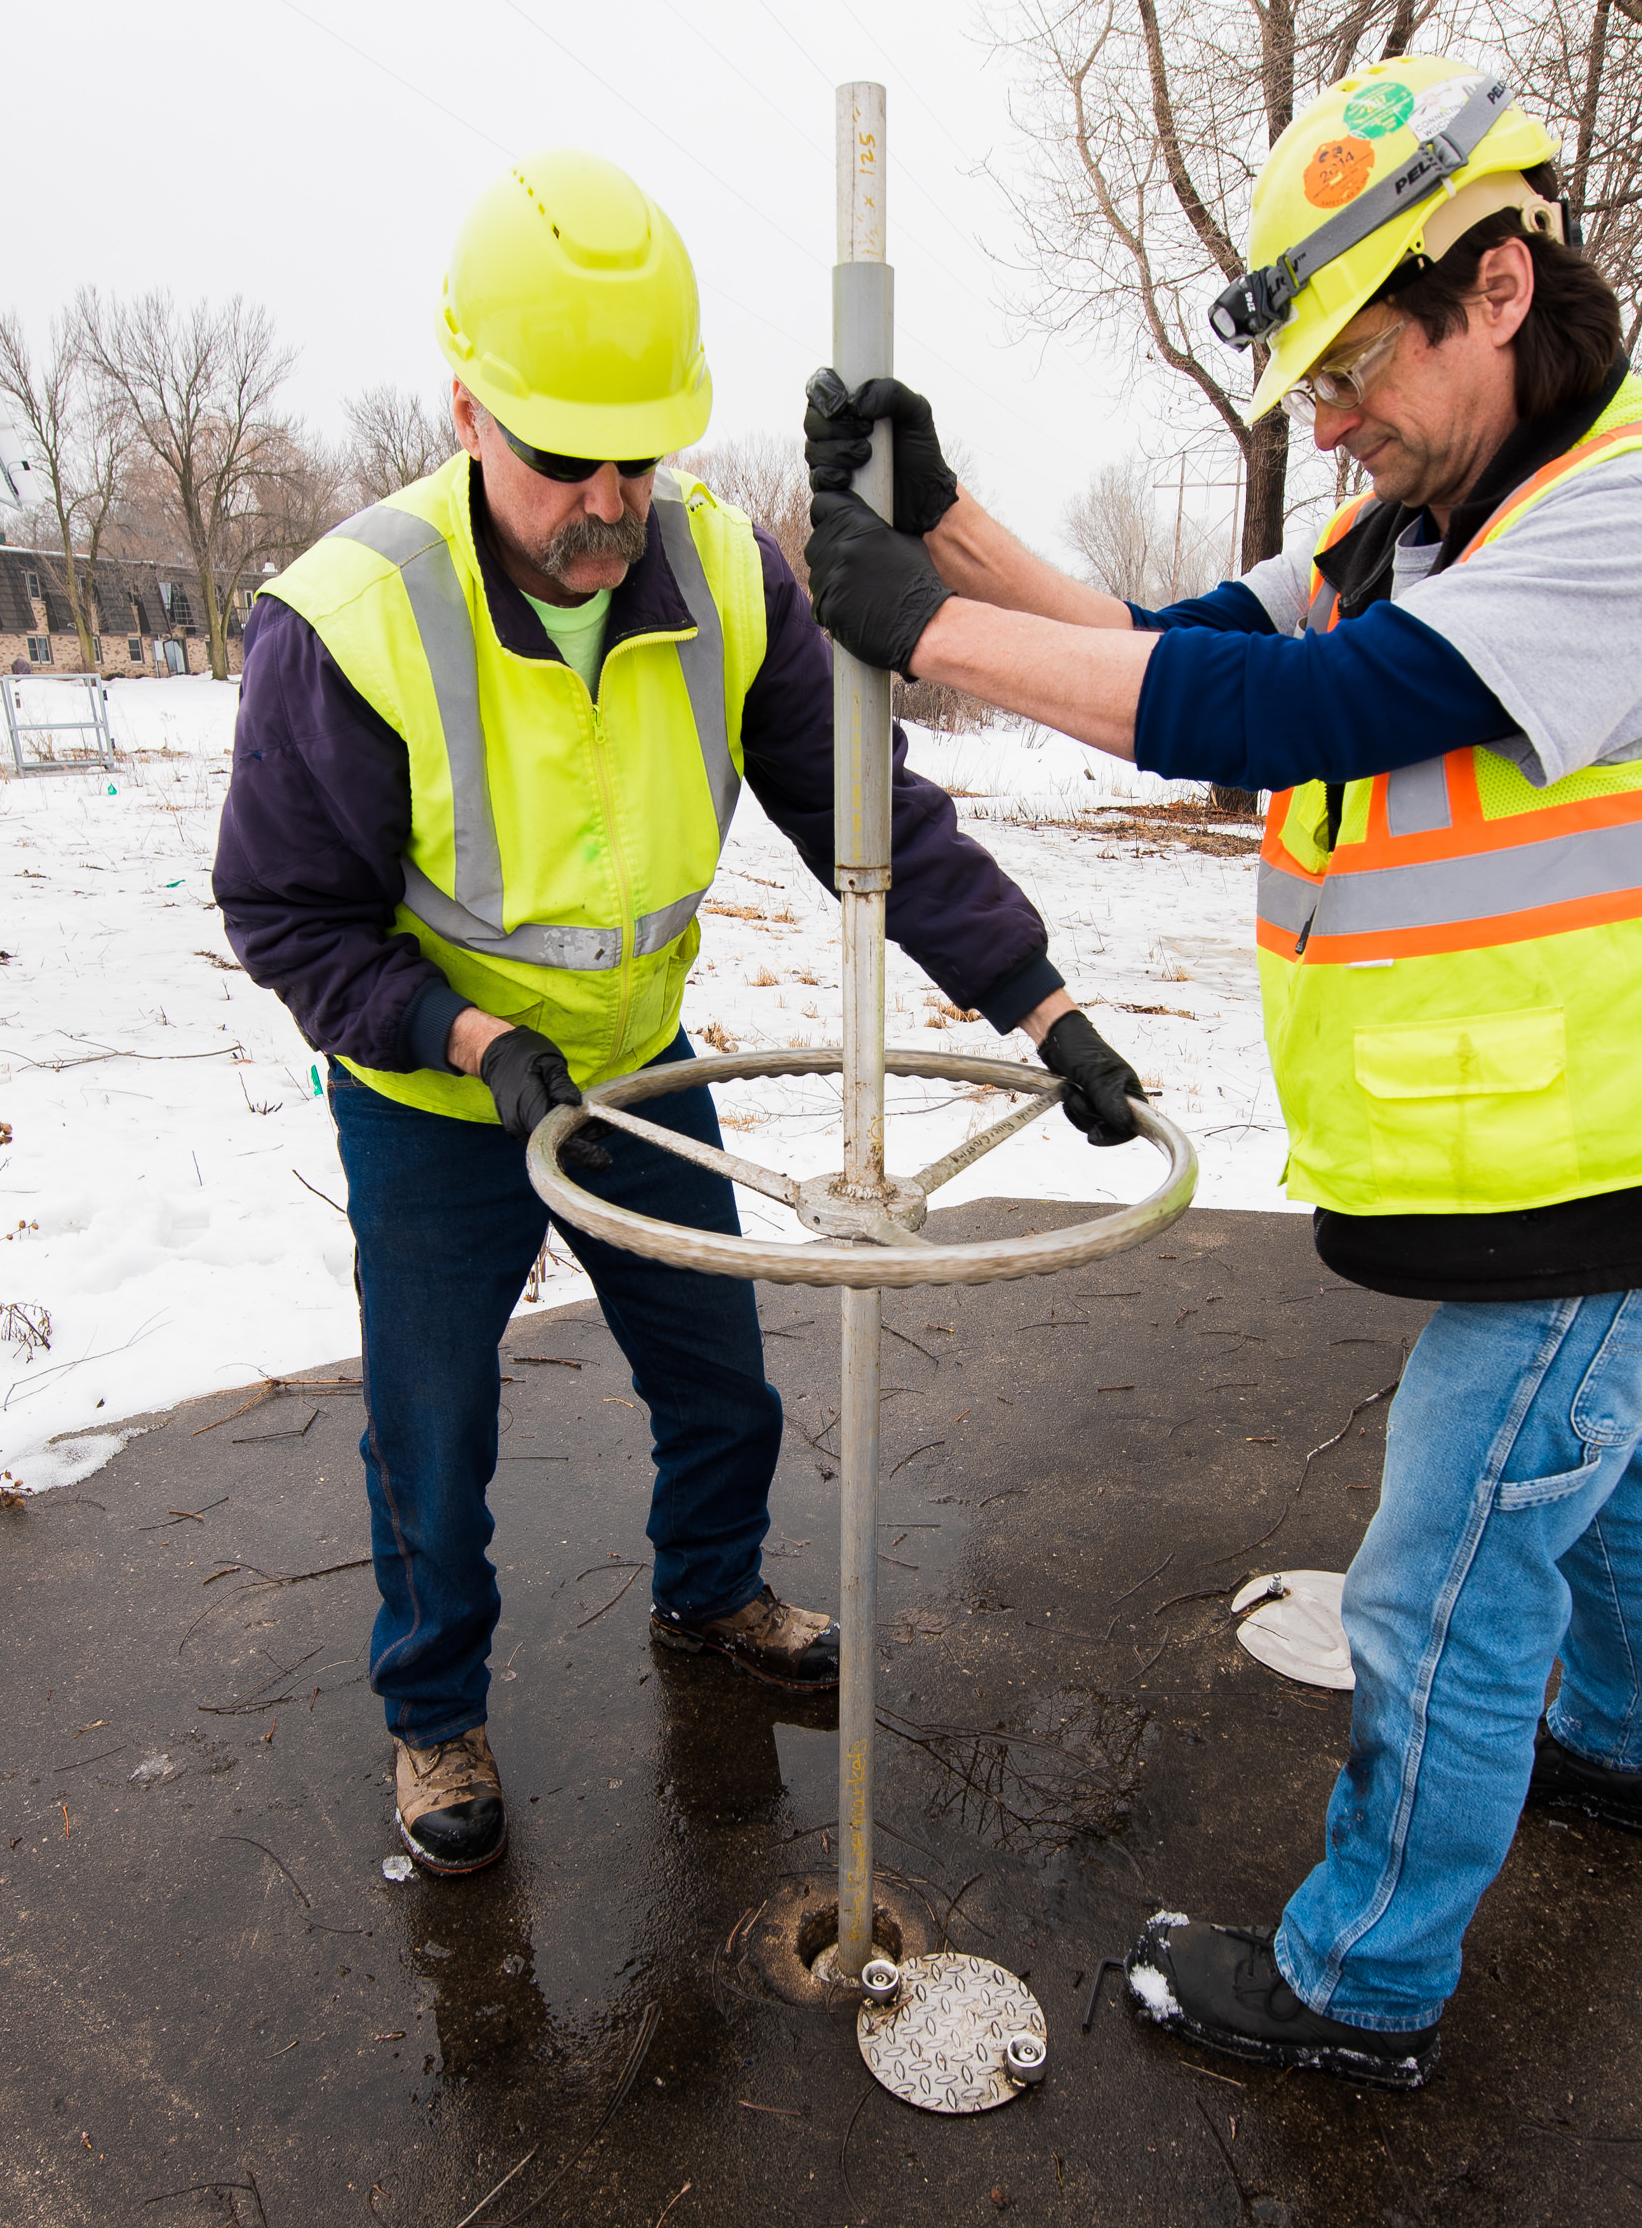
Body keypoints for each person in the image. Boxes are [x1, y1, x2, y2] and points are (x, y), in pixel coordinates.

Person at [799, 57, 1642, 2087]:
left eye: (1354, 366)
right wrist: (944, 522)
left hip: (1627, 1139)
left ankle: (1359, 1978)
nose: (1331, 422)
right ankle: (1626, 1746)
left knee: (1446, 1551)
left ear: (1501, 287)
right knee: (1580, 1450)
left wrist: (919, 627)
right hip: (1577, 1133)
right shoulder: (1438, 515)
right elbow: (1165, 634)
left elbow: (1276, 715)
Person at [214, 148, 1146, 1880]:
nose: (606, 498)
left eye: (638, 453)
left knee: (722, 1384)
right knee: (435, 1430)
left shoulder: (722, 579)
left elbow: (868, 810)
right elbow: (284, 912)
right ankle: (433, 1718)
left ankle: (711, 1592)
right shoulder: (352, 621)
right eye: (565, 456)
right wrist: (465, 1043)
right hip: (439, 1098)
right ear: (469, 407)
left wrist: (1040, 1004)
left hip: (637, 1066)